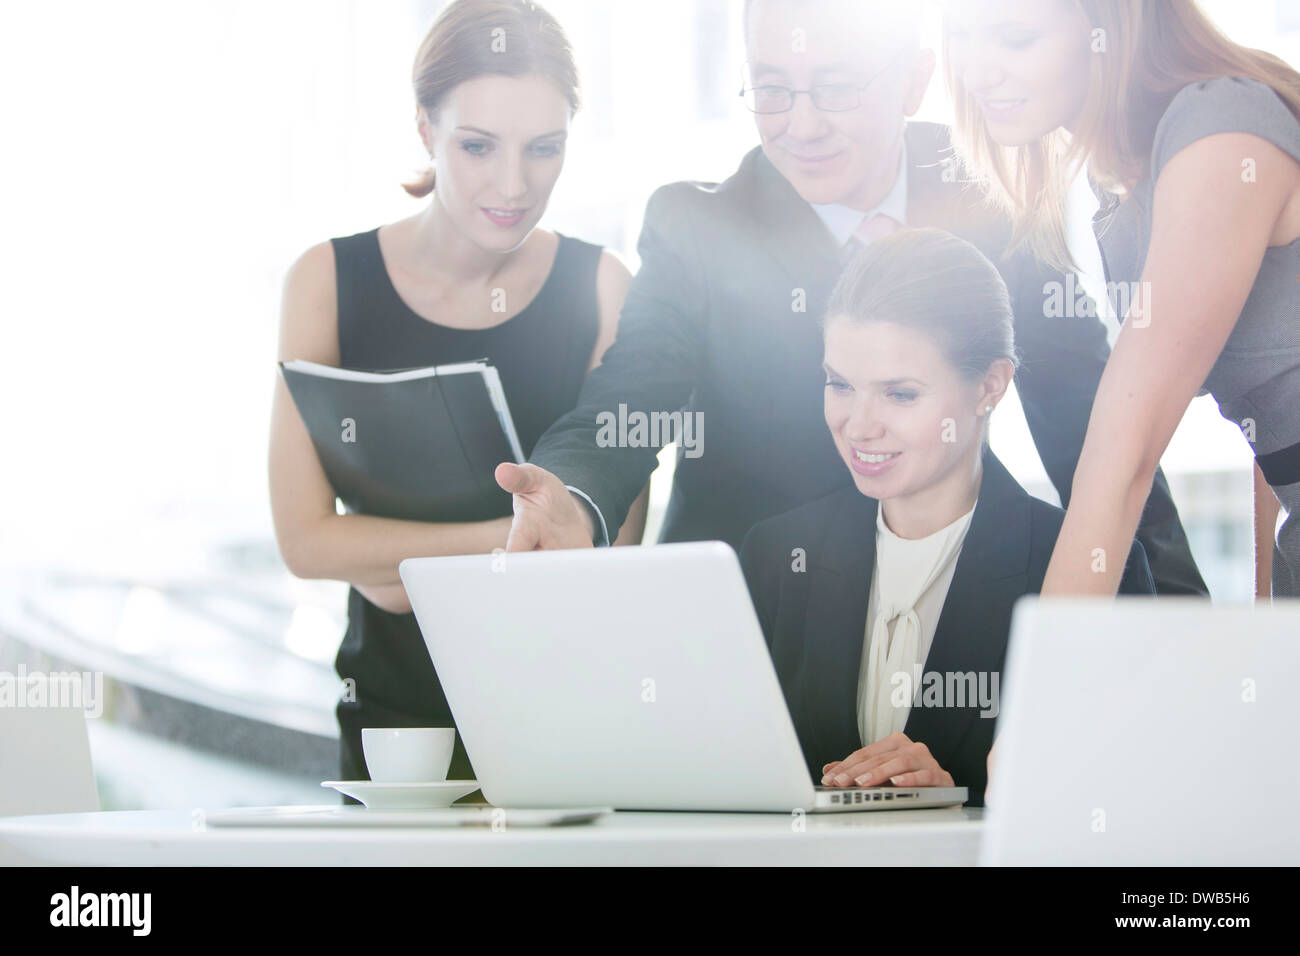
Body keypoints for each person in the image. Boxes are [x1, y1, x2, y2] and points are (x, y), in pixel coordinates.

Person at [495, 0, 1207, 598]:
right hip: (749, 622)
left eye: (835, 89)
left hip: (936, 627)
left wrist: (1177, 617)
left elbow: (1094, 426)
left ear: (914, 80)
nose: (801, 126)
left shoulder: (993, 193)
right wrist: (573, 492)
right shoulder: (698, 226)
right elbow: (631, 399)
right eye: (772, 90)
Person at [268, 0, 648, 787]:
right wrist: (506, 537)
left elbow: (609, 553)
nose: (513, 184)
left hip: (564, 718)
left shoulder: (604, 290)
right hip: (393, 728)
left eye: (544, 149)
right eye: (478, 146)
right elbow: (304, 541)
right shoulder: (326, 283)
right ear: (424, 128)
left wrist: (400, 559)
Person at [739, 229, 1155, 807]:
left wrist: (964, 802)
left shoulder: (1081, 567)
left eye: (900, 394)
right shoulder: (775, 556)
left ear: (990, 386)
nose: (858, 425)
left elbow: (1125, 807)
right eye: (839, 385)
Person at [941, 0, 1300, 597]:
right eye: (962, 35)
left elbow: (1122, 458)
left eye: (1015, 38)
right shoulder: (1126, 175)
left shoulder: (1220, 129)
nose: (976, 71)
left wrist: (1046, 670)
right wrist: (1272, 600)